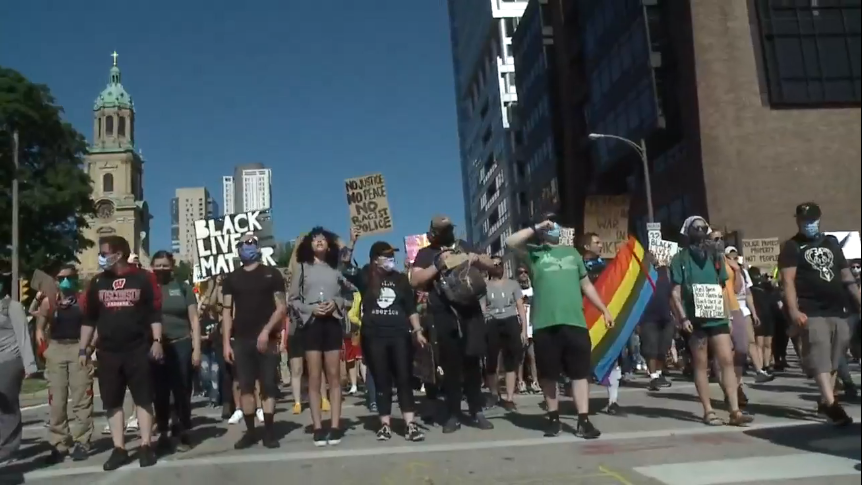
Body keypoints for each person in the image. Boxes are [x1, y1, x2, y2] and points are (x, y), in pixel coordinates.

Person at [505, 216, 614, 438]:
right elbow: (510, 242)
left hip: (574, 322)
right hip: (545, 323)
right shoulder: (534, 254)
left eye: (555, 226)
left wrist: (604, 309)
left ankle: (583, 420)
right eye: (549, 227)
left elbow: (586, 285)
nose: (553, 229)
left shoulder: (573, 254)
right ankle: (553, 418)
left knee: (580, 373)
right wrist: (536, 227)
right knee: (548, 375)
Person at [78, 235, 163, 470]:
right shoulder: (97, 283)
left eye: (104, 253)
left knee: (143, 398)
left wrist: (157, 340)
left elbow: (154, 312)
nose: (101, 258)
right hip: (108, 351)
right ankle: (120, 448)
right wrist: (83, 349)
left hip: (138, 348)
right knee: (112, 400)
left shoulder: (143, 279)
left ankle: (146, 445)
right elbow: (89, 319)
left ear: (119, 254)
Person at [410, 215, 496, 434]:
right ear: (433, 233)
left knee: (472, 364)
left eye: (449, 229)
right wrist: (438, 264)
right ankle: (452, 413)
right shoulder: (426, 253)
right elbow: (414, 280)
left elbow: (492, 265)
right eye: (442, 230)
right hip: (443, 314)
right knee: (450, 366)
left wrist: (474, 258)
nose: (447, 233)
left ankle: (476, 409)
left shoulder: (463, 246)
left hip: (470, 311)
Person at [778, 202, 858, 425]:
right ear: (798, 221)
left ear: (819, 220)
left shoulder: (831, 243)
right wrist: (794, 310)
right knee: (819, 352)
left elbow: (846, 275)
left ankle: (825, 400)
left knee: (835, 355)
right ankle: (833, 405)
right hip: (810, 309)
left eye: (811, 220)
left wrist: (858, 300)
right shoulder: (792, 247)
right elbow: (787, 281)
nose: (808, 225)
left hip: (837, 307)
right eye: (804, 220)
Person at [670, 217, 752, 427]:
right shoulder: (680, 259)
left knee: (726, 360)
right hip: (695, 319)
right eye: (695, 228)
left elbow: (723, 287)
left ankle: (735, 410)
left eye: (702, 228)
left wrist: (728, 315)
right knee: (701, 364)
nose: (700, 231)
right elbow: (675, 292)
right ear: (688, 232)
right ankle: (708, 410)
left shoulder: (715, 256)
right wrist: (683, 317)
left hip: (717, 316)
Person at [353, 242, 428, 441]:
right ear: (375, 258)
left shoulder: (401, 279)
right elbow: (344, 267)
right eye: (386, 255)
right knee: (381, 381)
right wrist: (352, 243)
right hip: (374, 336)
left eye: (391, 255)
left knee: (404, 378)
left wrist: (418, 331)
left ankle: (410, 424)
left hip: (399, 335)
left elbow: (411, 308)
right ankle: (385, 424)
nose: (390, 259)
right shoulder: (366, 276)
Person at [222, 233, 287, 449]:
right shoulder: (232, 278)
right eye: (244, 243)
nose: (248, 246)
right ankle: (250, 432)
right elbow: (226, 311)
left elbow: (281, 307)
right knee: (246, 387)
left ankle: (269, 432)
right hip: (241, 340)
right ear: (238, 248)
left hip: (266, 340)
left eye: (252, 242)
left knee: (268, 386)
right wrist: (226, 343)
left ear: (258, 247)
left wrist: (267, 331)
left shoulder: (272, 274)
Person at [288, 227, 351, 446]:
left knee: (334, 375)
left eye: (323, 239)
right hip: (312, 325)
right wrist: (310, 310)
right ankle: (317, 426)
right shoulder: (302, 269)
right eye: (315, 239)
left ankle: (335, 425)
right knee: (314, 377)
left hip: (332, 323)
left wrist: (337, 303)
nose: (320, 241)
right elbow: (292, 300)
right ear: (309, 245)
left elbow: (349, 294)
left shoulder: (336, 269)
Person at [35, 265, 94, 463]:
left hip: (79, 348)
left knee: (81, 399)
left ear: (76, 278)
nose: (65, 282)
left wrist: (89, 348)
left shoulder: (84, 301)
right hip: (56, 349)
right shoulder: (49, 302)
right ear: (55, 281)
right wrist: (45, 350)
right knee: (57, 401)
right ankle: (59, 444)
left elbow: (95, 326)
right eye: (60, 278)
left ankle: (82, 442)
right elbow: (40, 327)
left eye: (69, 277)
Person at [150, 251, 201, 453]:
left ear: (172, 267)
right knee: (159, 392)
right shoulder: (148, 288)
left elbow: (194, 320)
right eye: (158, 265)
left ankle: (182, 431)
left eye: (165, 265)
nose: (161, 269)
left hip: (181, 345)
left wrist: (196, 349)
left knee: (182, 391)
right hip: (157, 347)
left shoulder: (183, 287)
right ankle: (163, 432)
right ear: (152, 266)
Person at [0, 274, 38, 465]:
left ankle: (8, 449)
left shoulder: (12, 307)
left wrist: (29, 365)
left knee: (7, 404)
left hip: (10, 359)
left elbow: (23, 336)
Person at [481, 256, 527, 410]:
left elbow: (520, 307)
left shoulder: (513, 284)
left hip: (511, 321)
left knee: (511, 361)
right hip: (492, 323)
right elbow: (482, 308)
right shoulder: (484, 286)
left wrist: (524, 330)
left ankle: (509, 397)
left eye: (500, 264)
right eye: (494, 265)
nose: (498, 267)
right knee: (491, 361)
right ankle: (494, 395)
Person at [639, 253, 675, 391]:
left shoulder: (665, 272)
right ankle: (653, 377)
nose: (651, 258)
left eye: (652, 256)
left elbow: (671, 295)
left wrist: (677, 315)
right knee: (650, 349)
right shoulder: (641, 276)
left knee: (663, 348)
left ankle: (659, 375)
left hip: (666, 316)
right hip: (648, 317)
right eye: (648, 257)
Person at [515, 266, 541, 394]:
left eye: (525, 272)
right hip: (520, 328)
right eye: (520, 273)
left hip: (532, 327)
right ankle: (520, 382)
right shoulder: (515, 291)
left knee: (533, 356)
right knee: (520, 357)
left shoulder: (533, 291)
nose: (523, 275)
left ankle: (535, 381)